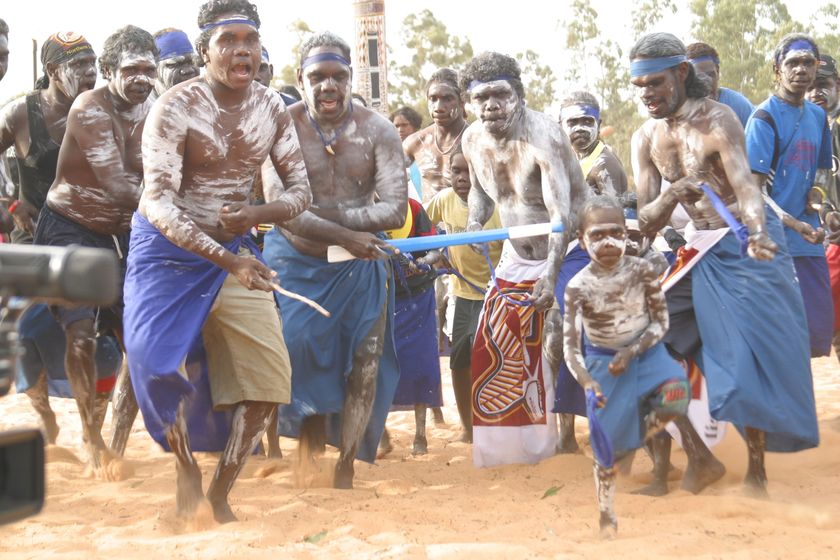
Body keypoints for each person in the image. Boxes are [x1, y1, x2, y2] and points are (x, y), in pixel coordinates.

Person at [124, 0, 311, 523]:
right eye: (227, 41)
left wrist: (258, 210)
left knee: (271, 380)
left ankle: (221, 492)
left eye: (249, 40)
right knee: (152, 363)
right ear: (205, 49)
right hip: (166, 249)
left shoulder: (272, 108)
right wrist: (230, 262)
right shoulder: (175, 107)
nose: (241, 50)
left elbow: (300, 193)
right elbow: (157, 202)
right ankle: (185, 464)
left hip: (234, 252)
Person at [631, 32, 819, 497]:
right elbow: (647, 218)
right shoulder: (645, 137)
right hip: (697, 249)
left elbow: (747, 188)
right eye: (640, 87)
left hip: (744, 245)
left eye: (656, 83)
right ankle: (695, 456)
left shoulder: (719, 120)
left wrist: (756, 233)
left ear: (680, 74)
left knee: (742, 361)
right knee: (637, 344)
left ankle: (757, 472)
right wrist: (673, 193)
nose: (648, 95)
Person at [261, 31, 406, 489]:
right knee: (298, 348)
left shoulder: (378, 129)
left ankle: (344, 461)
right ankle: (305, 443)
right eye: (317, 76)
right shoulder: (279, 127)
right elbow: (280, 206)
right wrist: (348, 230)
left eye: (338, 75)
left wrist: (337, 222)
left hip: (359, 261)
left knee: (365, 357)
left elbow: (396, 209)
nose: (328, 85)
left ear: (351, 77)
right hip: (296, 259)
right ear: (300, 80)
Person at [32, 25, 158, 479]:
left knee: (138, 340)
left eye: (150, 68)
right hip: (70, 228)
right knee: (81, 333)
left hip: (124, 236)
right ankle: (89, 434)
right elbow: (120, 187)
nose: (143, 77)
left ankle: (113, 435)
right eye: (132, 69)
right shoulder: (89, 108)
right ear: (109, 71)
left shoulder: (156, 110)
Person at [459, 51, 589, 467]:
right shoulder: (472, 138)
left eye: (500, 95)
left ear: (519, 95)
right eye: (481, 98)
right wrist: (475, 221)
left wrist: (551, 277)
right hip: (516, 253)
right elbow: (481, 189)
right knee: (491, 344)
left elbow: (562, 217)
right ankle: (515, 445)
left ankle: (564, 437)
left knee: (553, 335)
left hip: (566, 247)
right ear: (470, 103)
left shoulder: (545, 137)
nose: (491, 106)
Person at [564, 196, 689, 535]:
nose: (608, 243)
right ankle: (607, 515)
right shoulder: (577, 287)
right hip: (603, 363)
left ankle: (639, 436)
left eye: (616, 233)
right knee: (606, 450)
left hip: (645, 353)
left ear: (627, 234)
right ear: (581, 240)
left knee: (677, 392)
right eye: (598, 235)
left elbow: (660, 324)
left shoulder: (644, 271)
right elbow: (570, 347)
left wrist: (632, 352)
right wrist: (588, 382)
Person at [745, 34, 834, 359]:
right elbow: (752, 191)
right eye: (792, 63)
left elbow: (821, 173)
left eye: (808, 62)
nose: (801, 70)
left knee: (812, 334)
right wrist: (793, 223)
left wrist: (822, 209)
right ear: (777, 70)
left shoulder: (817, 116)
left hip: (808, 243)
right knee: (778, 338)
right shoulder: (763, 118)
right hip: (773, 242)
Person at [425, 145, 503, 443]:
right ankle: (468, 427)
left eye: (468, 171)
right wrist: (437, 250)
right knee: (459, 359)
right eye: (456, 171)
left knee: (496, 358)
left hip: (496, 295)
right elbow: (423, 224)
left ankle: (498, 421)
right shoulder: (444, 200)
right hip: (462, 293)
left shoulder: (497, 206)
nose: (461, 178)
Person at [380, 198, 442, 456]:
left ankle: (420, 435)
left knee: (421, 366)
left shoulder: (414, 209)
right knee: (377, 368)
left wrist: (424, 262)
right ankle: (380, 435)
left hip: (418, 296)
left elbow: (436, 250)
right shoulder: (362, 211)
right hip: (380, 298)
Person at [807, 54, 840, 361]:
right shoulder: (813, 126)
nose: (816, 92)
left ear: (837, 86)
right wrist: (827, 211)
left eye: (823, 85)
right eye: (811, 87)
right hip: (828, 239)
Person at [404, 69, 467, 204]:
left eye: (447, 99)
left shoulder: (475, 141)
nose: (438, 107)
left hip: (471, 222)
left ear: (462, 101)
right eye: (433, 99)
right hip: (428, 223)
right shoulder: (415, 143)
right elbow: (384, 177)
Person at [559, 91, 628, 197]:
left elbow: (614, 210)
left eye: (587, 122)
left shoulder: (603, 164)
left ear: (599, 125)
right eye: (573, 122)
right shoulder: (572, 158)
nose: (580, 128)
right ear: (560, 126)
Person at [686, 42, 755, 128]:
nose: (706, 82)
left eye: (710, 75)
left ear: (718, 72)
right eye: (699, 77)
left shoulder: (739, 106)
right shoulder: (681, 113)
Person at [151, 28, 199, 102]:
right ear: (154, 71)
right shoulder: (142, 109)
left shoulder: (210, 101)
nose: (188, 70)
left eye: (192, 62)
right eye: (174, 65)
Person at [391, 106, 423, 199]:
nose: (400, 129)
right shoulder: (388, 154)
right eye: (396, 126)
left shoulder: (425, 151)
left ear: (415, 126)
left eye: (404, 125)